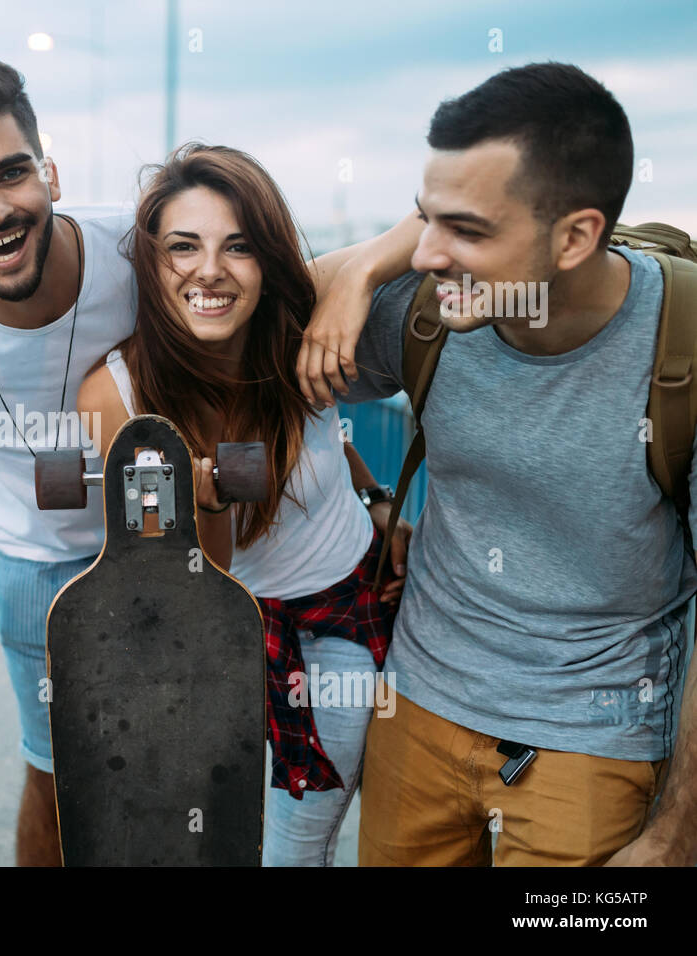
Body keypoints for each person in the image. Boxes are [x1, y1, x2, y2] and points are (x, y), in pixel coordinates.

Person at [0, 49, 422, 866]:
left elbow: (274, 330)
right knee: (62, 778)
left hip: (196, 551)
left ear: (51, 174)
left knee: (190, 779)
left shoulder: (148, 250)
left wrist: (355, 290)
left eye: (11, 174)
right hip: (40, 557)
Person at [298, 62, 697, 866]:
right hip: (419, 705)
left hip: (597, 736)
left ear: (578, 235)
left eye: (468, 229)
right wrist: (364, 269)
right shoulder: (425, 308)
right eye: (424, 219)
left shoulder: (680, 347)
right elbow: (238, 332)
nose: (432, 254)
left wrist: (676, 833)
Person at [76, 143, 418, 865]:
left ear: (267, 260)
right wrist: (204, 508)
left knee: (302, 845)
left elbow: (432, 220)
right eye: (183, 247)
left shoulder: (298, 319)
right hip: (216, 631)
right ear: (150, 262)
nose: (210, 271)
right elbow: (196, 577)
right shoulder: (118, 400)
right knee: (209, 838)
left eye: (239, 247)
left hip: (342, 605)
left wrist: (358, 280)